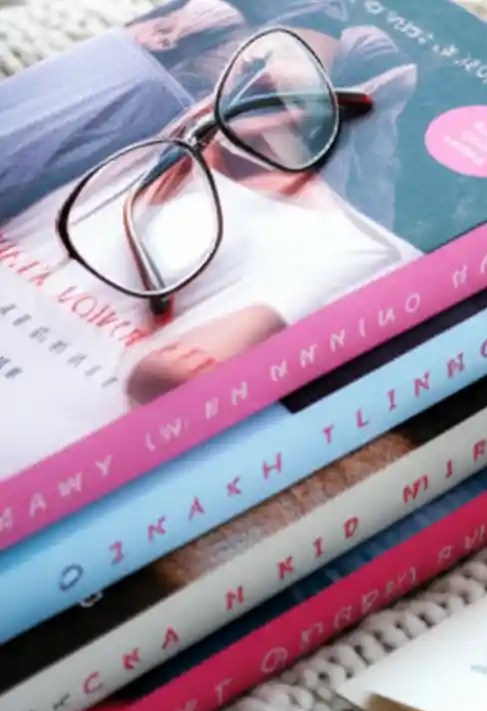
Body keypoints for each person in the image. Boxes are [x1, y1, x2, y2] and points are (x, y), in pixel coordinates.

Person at [0, 0, 420, 476]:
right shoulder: (150, 126)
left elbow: (173, 375)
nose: (265, 79)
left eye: (296, 95)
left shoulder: (337, 239)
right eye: (257, 65)